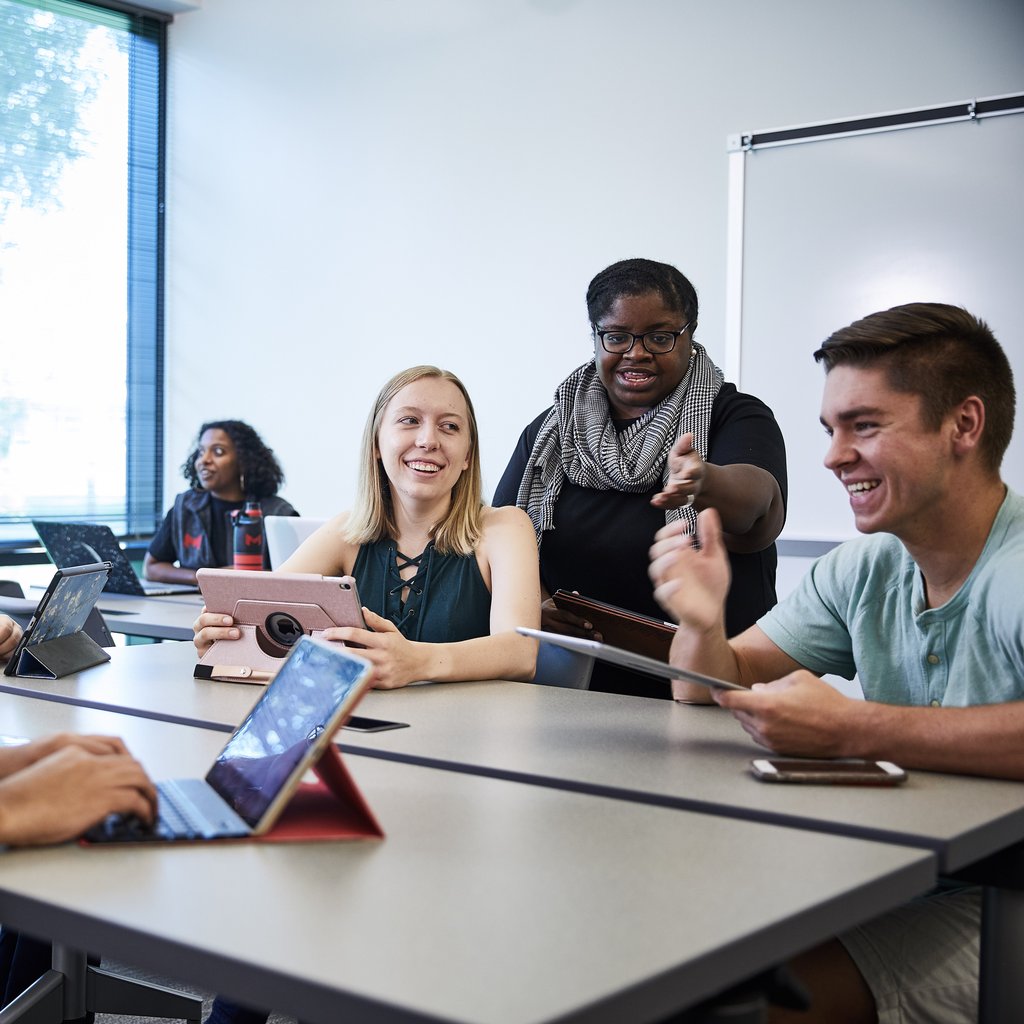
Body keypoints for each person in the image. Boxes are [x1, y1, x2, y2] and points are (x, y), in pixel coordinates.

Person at [648, 302, 1023, 1024]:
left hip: (1001, 898)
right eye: (830, 430)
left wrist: (854, 729)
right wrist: (702, 623)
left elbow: (856, 728)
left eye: (865, 425)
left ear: (964, 427)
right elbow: (710, 686)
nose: (832, 455)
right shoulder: (865, 567)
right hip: (905, 874)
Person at [194, 366, 540, 1024]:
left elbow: (522, 650)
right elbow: (256, 613)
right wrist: (220, 628)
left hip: (462, 783)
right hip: (354, 766)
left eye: (449, 426)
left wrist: (420, 662)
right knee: (272, 906)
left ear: (469, 455)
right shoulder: (350, 528)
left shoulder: (504, 527)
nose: (427, 440)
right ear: (377, 443)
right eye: (408, 421)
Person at [493, 257, 787, 697]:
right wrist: (536, 601)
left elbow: (757, 505)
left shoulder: (734, 415)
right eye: (617, 337)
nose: (637, 352)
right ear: (596, 337)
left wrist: (703, 481)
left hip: (713, 684)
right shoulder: (554, 430)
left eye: (660, 337)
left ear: (689, 334)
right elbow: (501, 534)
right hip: (576, 685)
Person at [144, 420, 299, 584]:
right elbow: (151, 567)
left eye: (218, 452)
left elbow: (298, 575)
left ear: (244, 461)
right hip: (195, 606)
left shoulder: (278, 513)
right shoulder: (185, 508)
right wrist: (207, 579)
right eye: (201, 451)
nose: (204, 460)